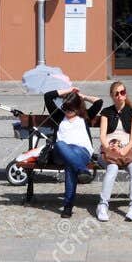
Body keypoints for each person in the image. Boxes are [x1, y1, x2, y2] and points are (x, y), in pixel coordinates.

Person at [96, 81, 132, 222]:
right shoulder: (106, 112)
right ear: (112, 96)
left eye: (122, 92)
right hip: (108, 151)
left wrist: (123, 150)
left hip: (126, 151)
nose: (120, 95)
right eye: (116, 93)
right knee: (113, 168)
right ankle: (103, 205)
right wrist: (109, 148)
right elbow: (102, 136)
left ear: (125, 94)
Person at [51, 90, 94, 219]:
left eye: (71, 108)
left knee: (70, 165)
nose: (68, 111)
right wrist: (68, 91)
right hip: (61, 153)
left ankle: (68, 207)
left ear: (77, 106)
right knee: (60, 144)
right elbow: (48, 97)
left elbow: (99, 102)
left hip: (82, 152)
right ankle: (83, 170)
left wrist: (83, 97)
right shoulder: (59, 116)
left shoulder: (84, 117)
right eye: (65, 108)